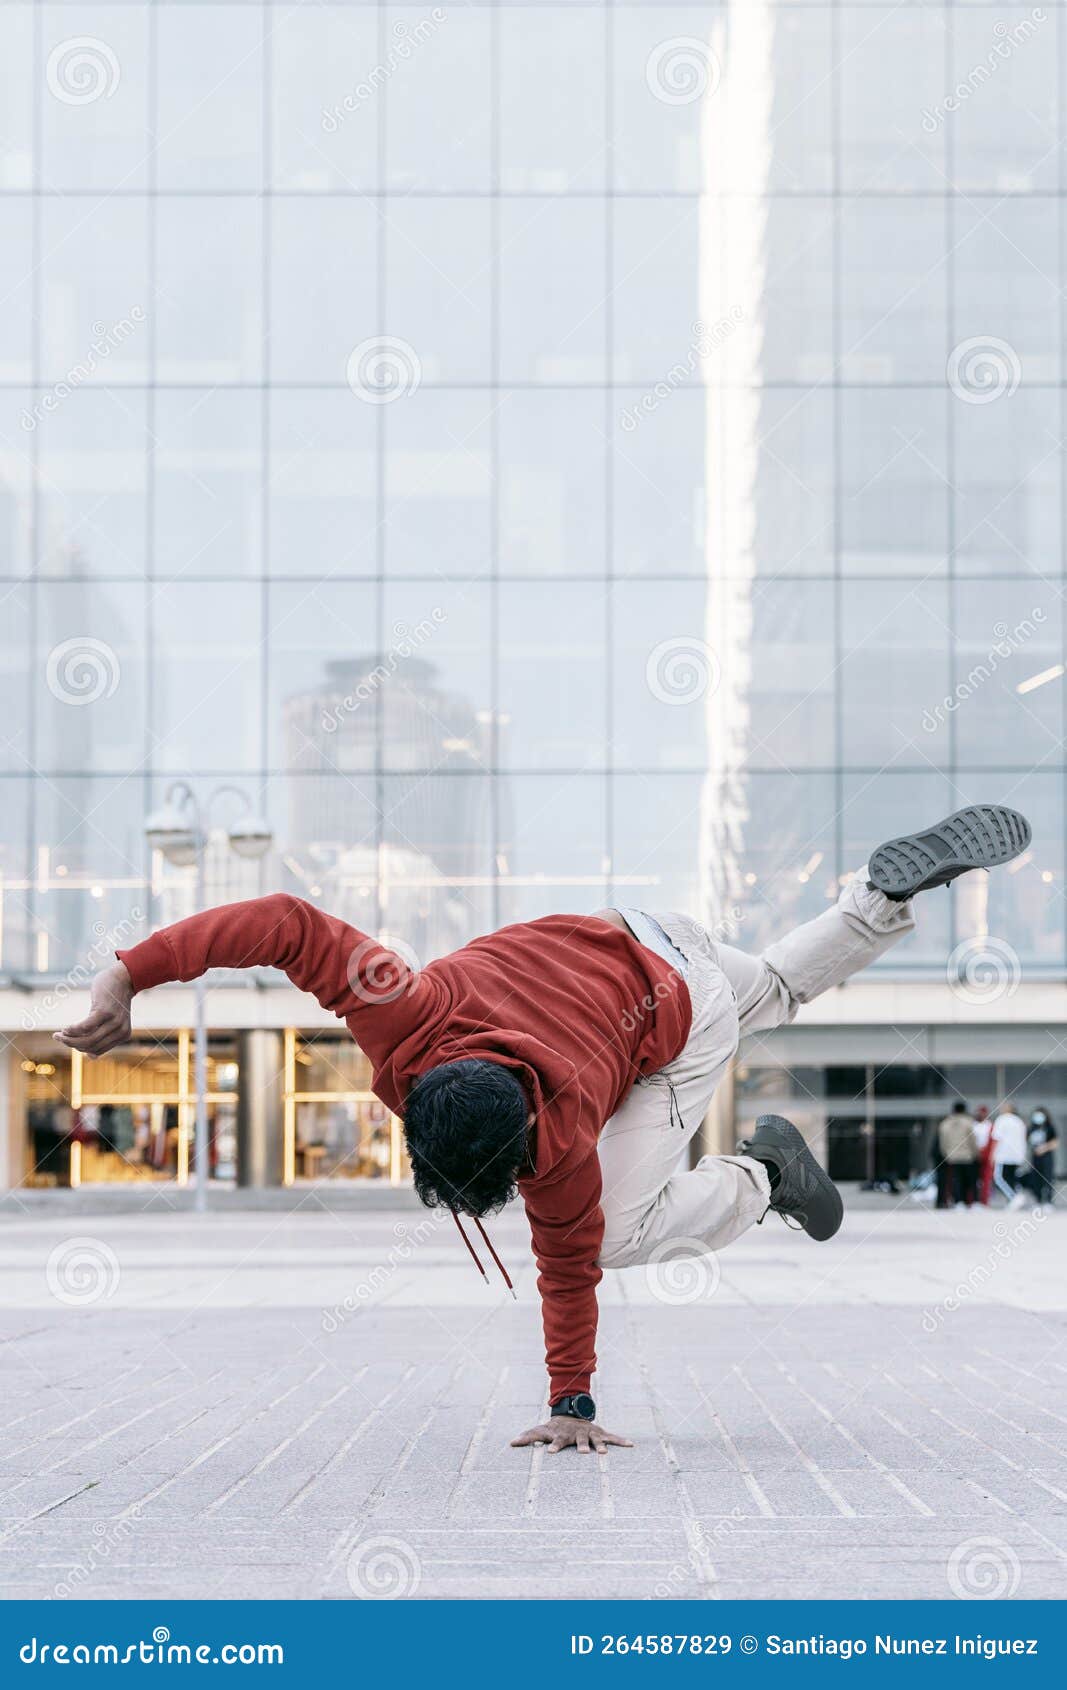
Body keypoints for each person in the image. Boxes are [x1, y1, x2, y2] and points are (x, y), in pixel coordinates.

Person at [56, 803, 1031, 1456]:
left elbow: (570, 1264)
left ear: (528, 1131)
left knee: (614, 1231)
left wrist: (572, 1403)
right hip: (642, 929)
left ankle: (766, 1174)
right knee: (772, 987)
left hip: (666, 1007)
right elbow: (285, 922)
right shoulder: (397, 1003)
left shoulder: (557, 1142)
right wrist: (127, 971)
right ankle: (877, 898)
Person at [935, 1100, 979, 1208]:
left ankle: (959, 1202)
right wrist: (976, 1153)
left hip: (952, 1156)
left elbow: (943, 1141)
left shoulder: (945, 1123)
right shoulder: (969, 1122)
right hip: (968, 1155)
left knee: (956, 1180)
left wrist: (945, 1153)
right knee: (970, 1180)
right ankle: (973, 1202)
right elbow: (973, 1140)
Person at [992, 1100, 1028, 1202]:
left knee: (998, 1178)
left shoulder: (1001, 1119)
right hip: (1017, 1155)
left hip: (1003, 1155)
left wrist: (992, 1154)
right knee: (1012, 1178)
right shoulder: (1019, 1121)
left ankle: (1014, 1197)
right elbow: (1024, 1139)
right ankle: (1015, 1197)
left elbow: (996, 1138)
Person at [1026, 1107, 1059, 1206]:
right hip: (1035, 1157)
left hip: (1047, 1157)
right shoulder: (1032, 1128)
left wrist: (1044, 1148)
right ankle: (1038, 1200)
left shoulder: (1049, 1127)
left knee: (1048, 1179)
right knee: (1036, 1179)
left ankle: (1048, 1202)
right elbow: (1027, 1140)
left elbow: (1055, 1142)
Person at [973, 1104, 995, 1205]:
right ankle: (972, 1200)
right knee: (973, 1179)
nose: (980, 1114)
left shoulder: (990, 1126)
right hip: (973, 1155)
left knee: (986, 1180)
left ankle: (984, 1200)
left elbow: (993, 1142)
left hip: (986, 1155)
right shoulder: (973, 1125)